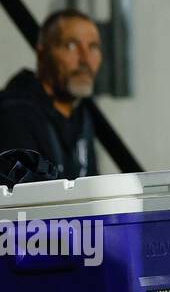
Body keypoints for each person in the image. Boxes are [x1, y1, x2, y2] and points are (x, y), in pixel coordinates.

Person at [0, 10, 102, 180]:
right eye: (71, 45)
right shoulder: (14, 114)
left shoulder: (80, 114)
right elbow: (23, 200)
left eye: (93, 47)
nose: (85, 59)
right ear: (42, 55)